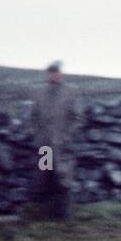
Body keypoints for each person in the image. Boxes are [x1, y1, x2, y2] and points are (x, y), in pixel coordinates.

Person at [29, 60, 82, 219]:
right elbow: (33, 117)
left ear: (61, 73)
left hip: (63, 146)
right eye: (52, 72)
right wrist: (38, 135)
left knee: (65, 180)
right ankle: (47, 213)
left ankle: (65, 214)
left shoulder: (71, 92)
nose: (55, 75)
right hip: (45, 146)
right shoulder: (40, 93)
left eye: (57, 71)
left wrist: (67, 136)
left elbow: (78, 118)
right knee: (45, 177)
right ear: (49, 74)